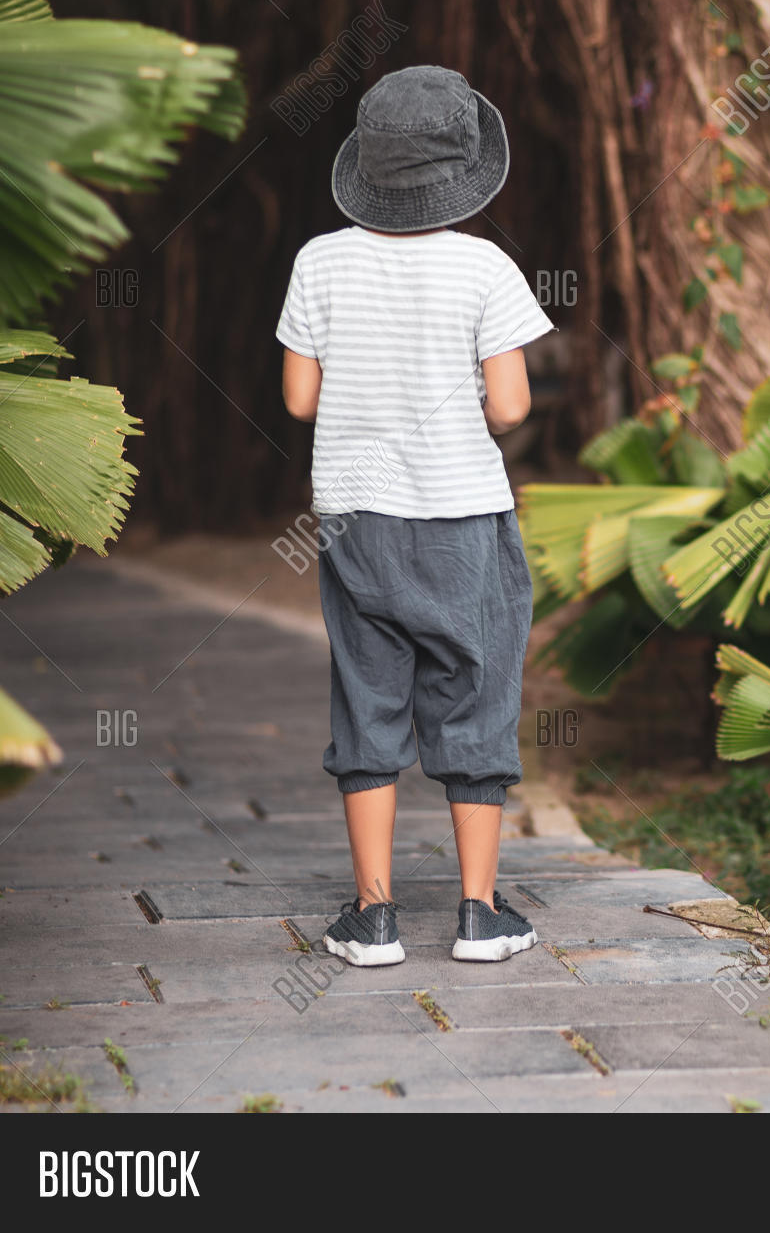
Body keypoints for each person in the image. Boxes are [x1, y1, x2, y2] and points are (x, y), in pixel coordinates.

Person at [275, 65, 554, 964]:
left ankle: (373, 916)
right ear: (465, 170)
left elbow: (299, 399)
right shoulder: (485, 267)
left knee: (367, 696)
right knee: (475, 693)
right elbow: (509, 407)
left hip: (355, 518)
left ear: (369, 165)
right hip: (463, 516)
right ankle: (478, 914)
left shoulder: (318, 261)